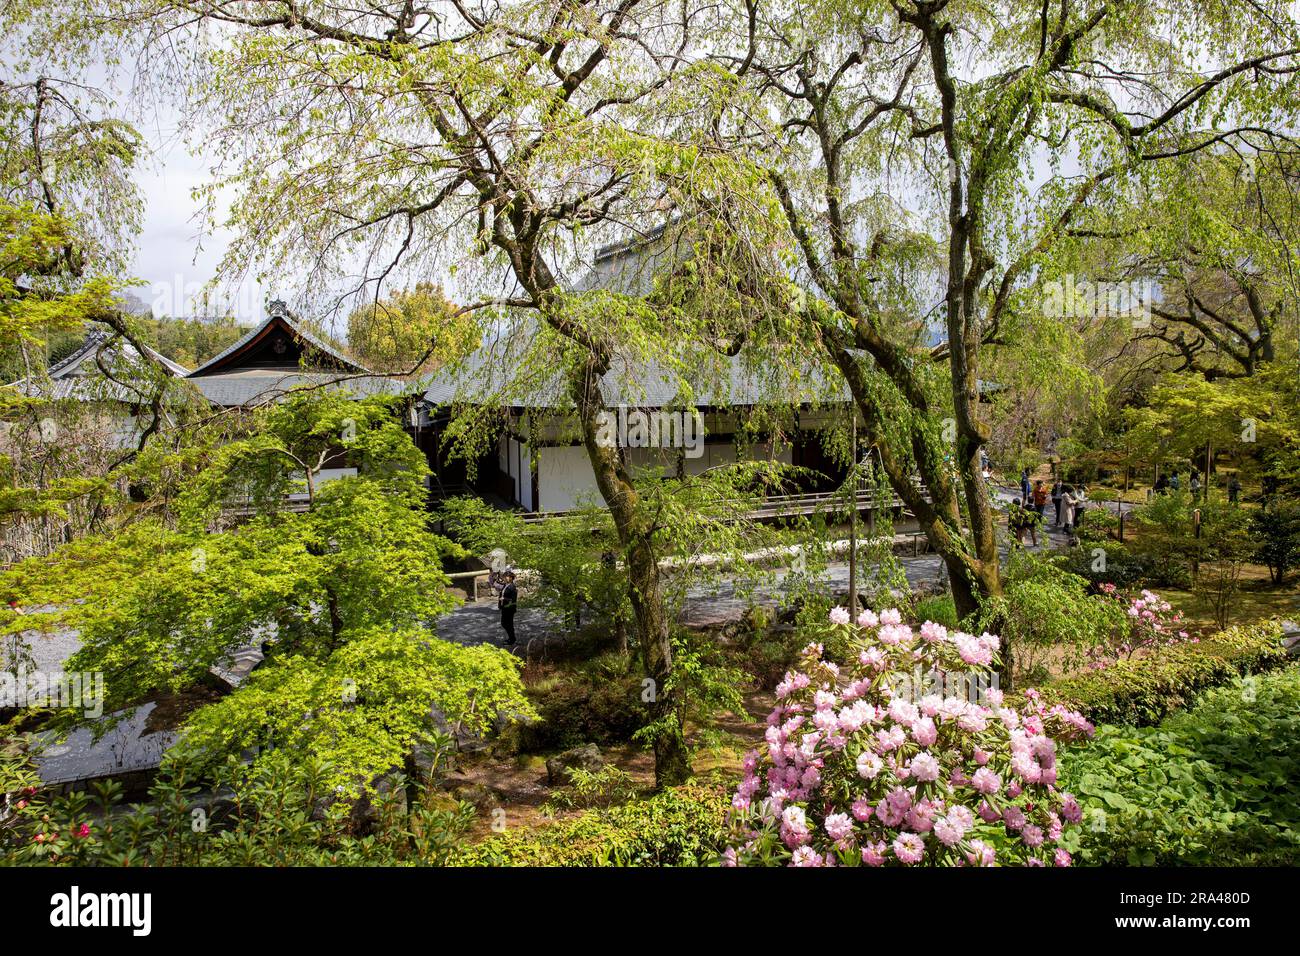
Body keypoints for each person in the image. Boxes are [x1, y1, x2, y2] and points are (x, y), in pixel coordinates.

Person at [498, 570, 518, 646]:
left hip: (509, 608)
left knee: (508, 624)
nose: (505, 578)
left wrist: (504, 599)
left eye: (507, 576)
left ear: (511, 578)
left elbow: (513, 600)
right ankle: (512, 638)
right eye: (505, 576)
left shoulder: (512, 587)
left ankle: (512, 640)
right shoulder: (505, 585)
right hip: (504, 608)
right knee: (504, 623)